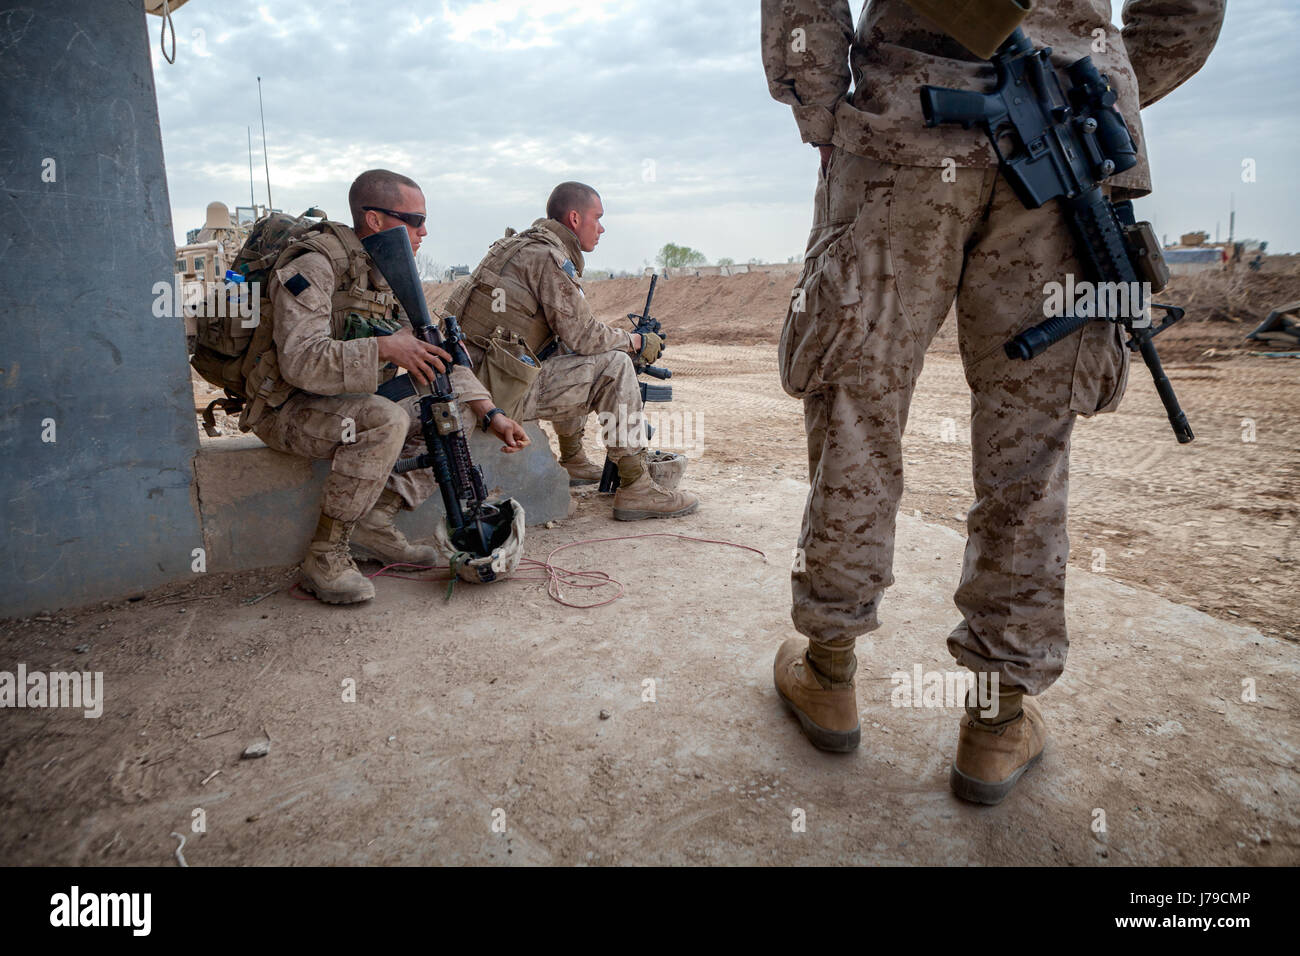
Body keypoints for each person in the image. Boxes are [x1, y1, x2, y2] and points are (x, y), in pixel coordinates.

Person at [761, 0, 1224, 802]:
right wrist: (1094, 71)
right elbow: (1188, 12)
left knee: (856, 410)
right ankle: (997, 722)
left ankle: (829, 668)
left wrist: (825, 108)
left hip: (905, 128)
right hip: (1069, 134)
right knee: (1031, 450)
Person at [246, 168, 529, 605]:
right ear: (374, 219)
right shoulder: (314, 266)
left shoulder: (386, 275)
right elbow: (300, 361)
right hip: (286, 407)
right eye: (413, 220)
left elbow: (435, 355)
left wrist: (491, 413)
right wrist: (385, 349)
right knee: (386, 419)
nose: (424, 232)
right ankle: (325, 555)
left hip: (341, 403)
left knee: (450, 409)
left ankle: (375, 522)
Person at [444, 181, 698, 520]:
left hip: (470, 381)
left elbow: (570, 336)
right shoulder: (548, 257)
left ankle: (574, 459)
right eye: (598, 217)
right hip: (489, 395)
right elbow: (584, 335)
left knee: (571, 353)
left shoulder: (517, 247)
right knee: (614, 366)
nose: (602, 227)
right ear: (575, 218)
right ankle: (637, 488)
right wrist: (635, 342)